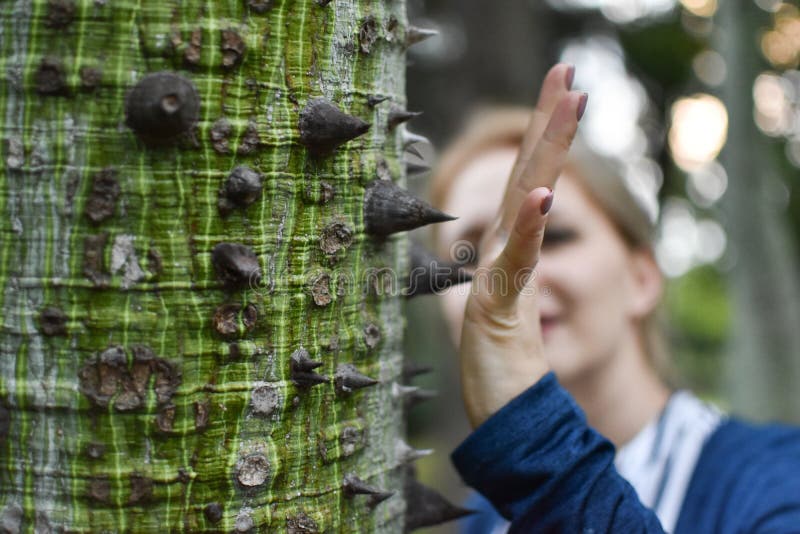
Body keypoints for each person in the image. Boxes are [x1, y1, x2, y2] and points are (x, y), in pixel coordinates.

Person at [429, 63, 800, 533]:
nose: (502, 278)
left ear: (642, 277)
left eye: (553, 235)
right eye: (466, 256)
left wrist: (540, 452)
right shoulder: (484, 519)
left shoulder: (777, 483)